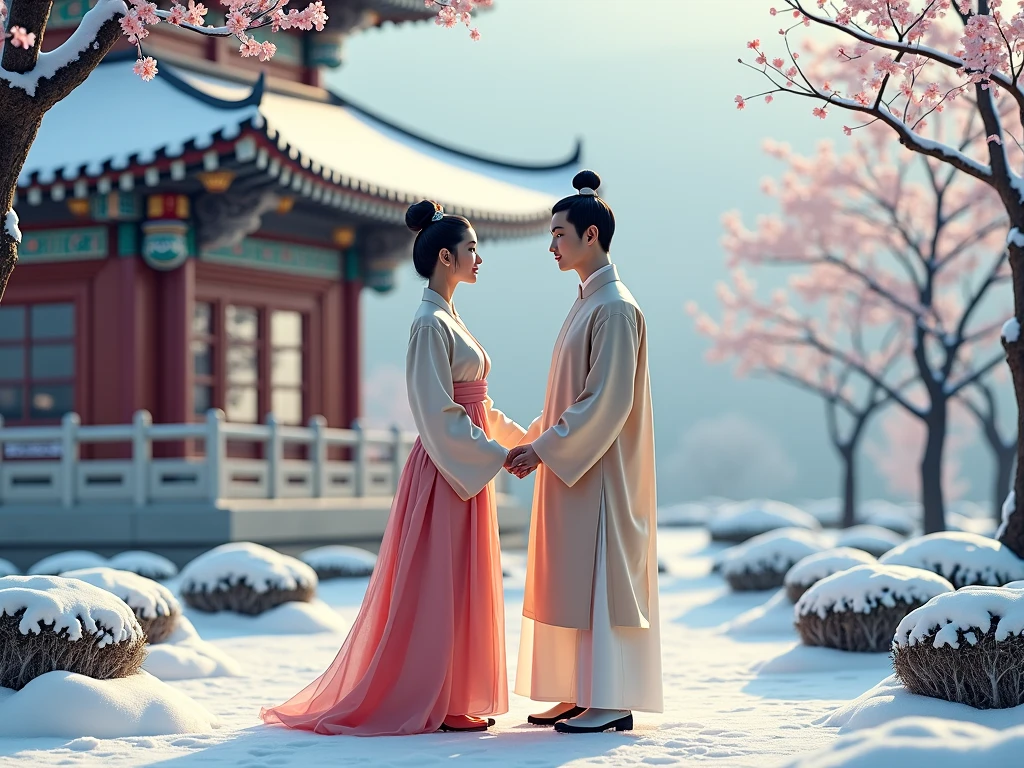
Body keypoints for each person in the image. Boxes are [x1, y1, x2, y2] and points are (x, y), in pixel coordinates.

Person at [261, 200, 525, 736]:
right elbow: (437, 410)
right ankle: (432, 696)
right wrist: (498, 456)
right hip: (448, 471)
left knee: (460, 581)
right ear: (446, 257)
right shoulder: (429, 323)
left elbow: (478, 405)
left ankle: (454, 694)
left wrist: (524, 444)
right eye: (472, 249)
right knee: (439, 584)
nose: (479, 258)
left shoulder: (447, 318)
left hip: (467, 464)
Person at [506, 170, 663, 734]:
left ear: (590, 235)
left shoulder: (614, 307)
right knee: (577, 581)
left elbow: (605, 400)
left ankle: (610, 698)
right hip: (578, 467)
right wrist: (535, 442)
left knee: (600, 581)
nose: (551, 246)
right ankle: (579, 691)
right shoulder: (589, 302)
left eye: (559, 234)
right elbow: (571, 396)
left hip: (601, 473)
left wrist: (544, 447)